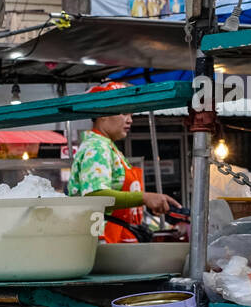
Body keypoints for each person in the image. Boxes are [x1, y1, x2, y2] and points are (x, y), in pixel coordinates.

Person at [67, 83, 182, 241]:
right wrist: (144, 198)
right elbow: (95, 195)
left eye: (131, 114)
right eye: (124, 113)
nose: (130, 120)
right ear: (103, 114)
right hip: (100, 240)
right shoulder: (96, 147)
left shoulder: (108, 146)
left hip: (116, 238)